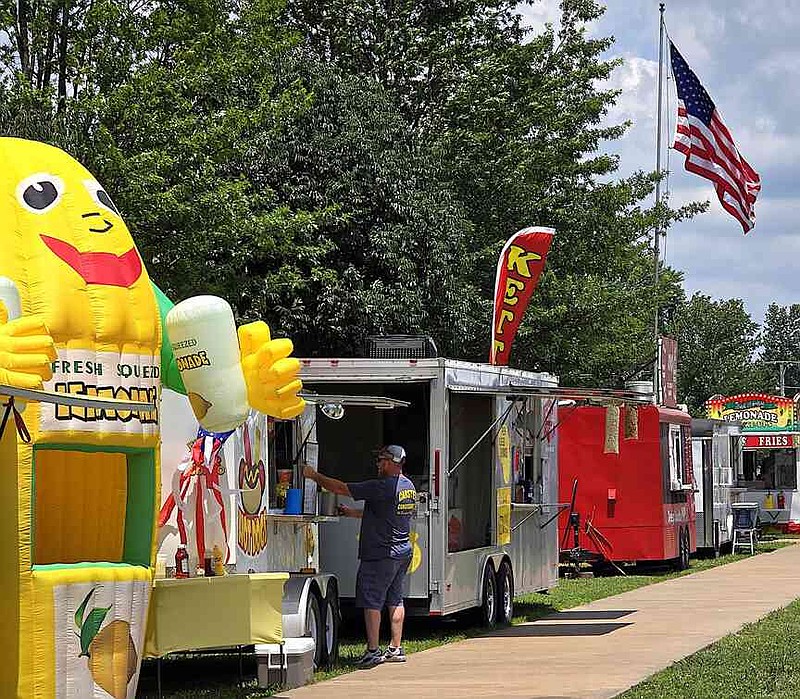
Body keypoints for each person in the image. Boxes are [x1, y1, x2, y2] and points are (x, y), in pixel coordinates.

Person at [303, 444, 417, 668]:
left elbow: (340, 488)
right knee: (395, 600)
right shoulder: (408, 487)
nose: (378, 464)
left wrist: (313, 475)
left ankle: (373, 652)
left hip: (380, 554)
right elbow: (383, 513)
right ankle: (395, 648)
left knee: (372, 602)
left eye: (382, 461)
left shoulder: (382, 486)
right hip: (402, 552)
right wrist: (352, 513)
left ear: (392, 463)